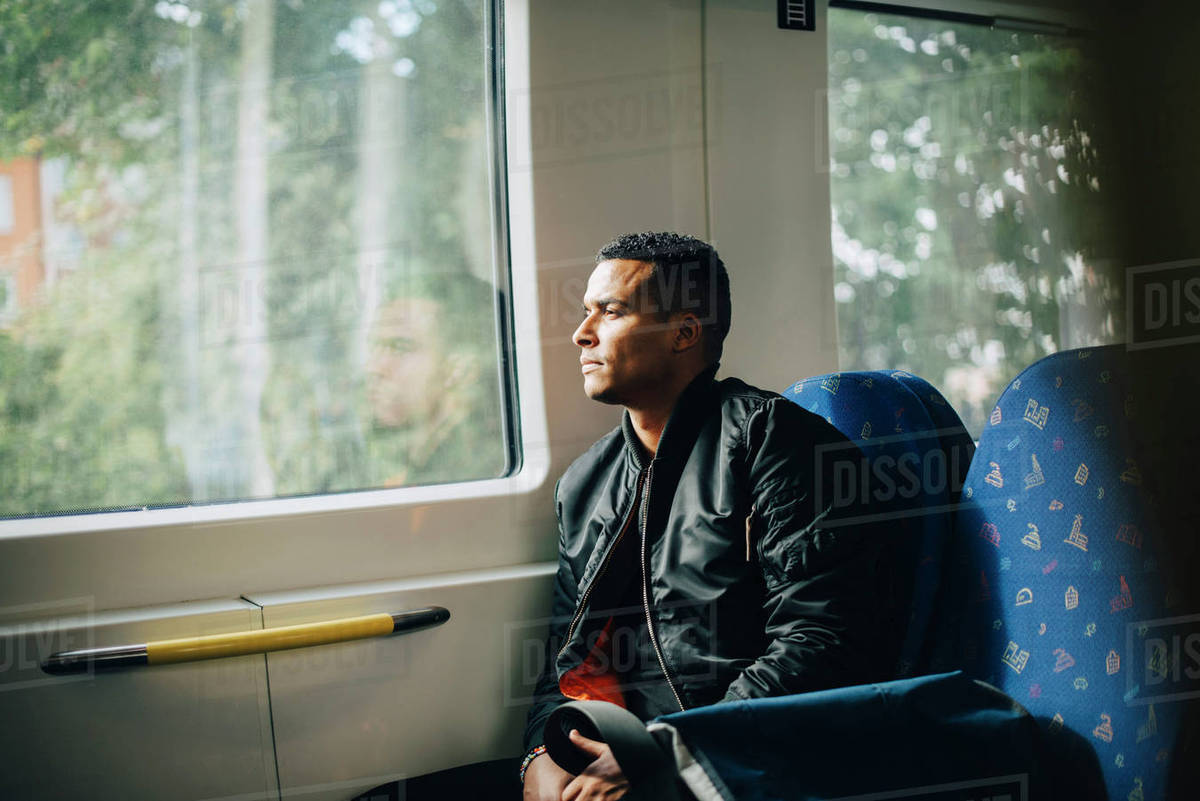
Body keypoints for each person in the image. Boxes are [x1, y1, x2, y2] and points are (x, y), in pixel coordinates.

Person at [519, 232, 904, 801]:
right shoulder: (583, 485)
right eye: (585, 312)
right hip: (619, 750)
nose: (582, 333)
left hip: (743, 760)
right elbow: (563, 661)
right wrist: (539, 762)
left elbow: (822, 639)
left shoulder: (774, 441)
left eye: (612, 311)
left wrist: (671, 751)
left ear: (684, 333)